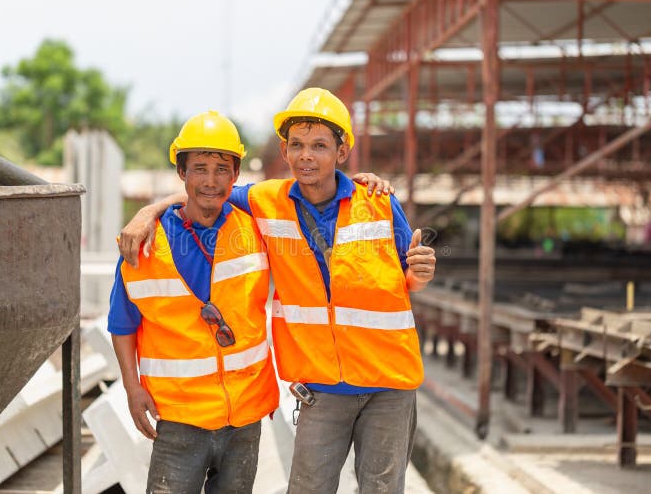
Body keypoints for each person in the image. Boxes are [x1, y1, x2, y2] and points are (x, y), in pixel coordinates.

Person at [120, 88, 437, 493]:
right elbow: (205, 188)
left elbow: (408, 277)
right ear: (285, 152)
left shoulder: (377, 203)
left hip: (389, 384)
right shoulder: (267, 201)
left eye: (320, 145)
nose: (307, 155)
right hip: (323, 388)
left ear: (342, 153)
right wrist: (150, 211)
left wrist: (421, 276)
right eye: (298, 145)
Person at [108, 110, 280, 493]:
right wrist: (132, 388)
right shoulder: (144, 243)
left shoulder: (256, 230)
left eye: (222, 169)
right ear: (181, 173)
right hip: (178, 417)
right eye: (199, 168)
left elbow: (313, 193)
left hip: (244, 417)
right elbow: (122, 324)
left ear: (236, 176)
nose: (210, 181)